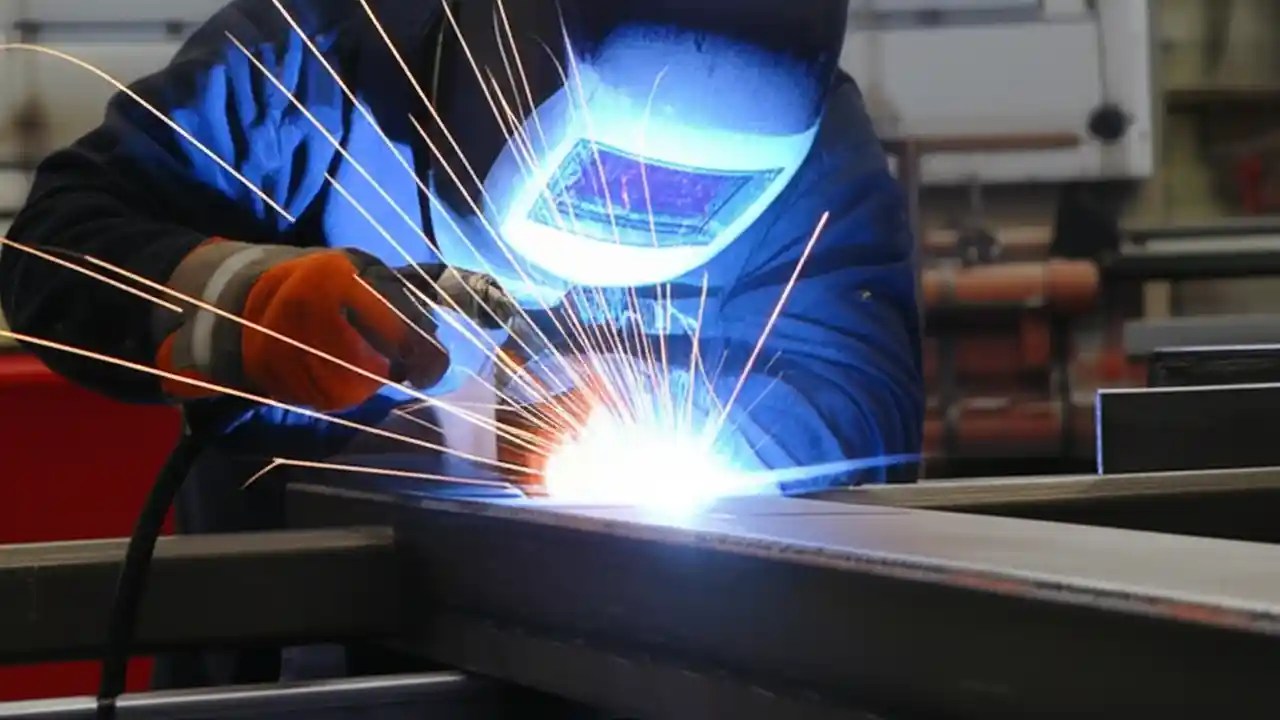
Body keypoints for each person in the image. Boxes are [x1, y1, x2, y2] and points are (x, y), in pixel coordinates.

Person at [0, 0, 923, 686]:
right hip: (287, 661)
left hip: (634, 673)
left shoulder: (814, 147)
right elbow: (54, 243)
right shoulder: (320, 61)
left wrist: (683, 428)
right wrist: (241, 297)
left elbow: (858, 396)